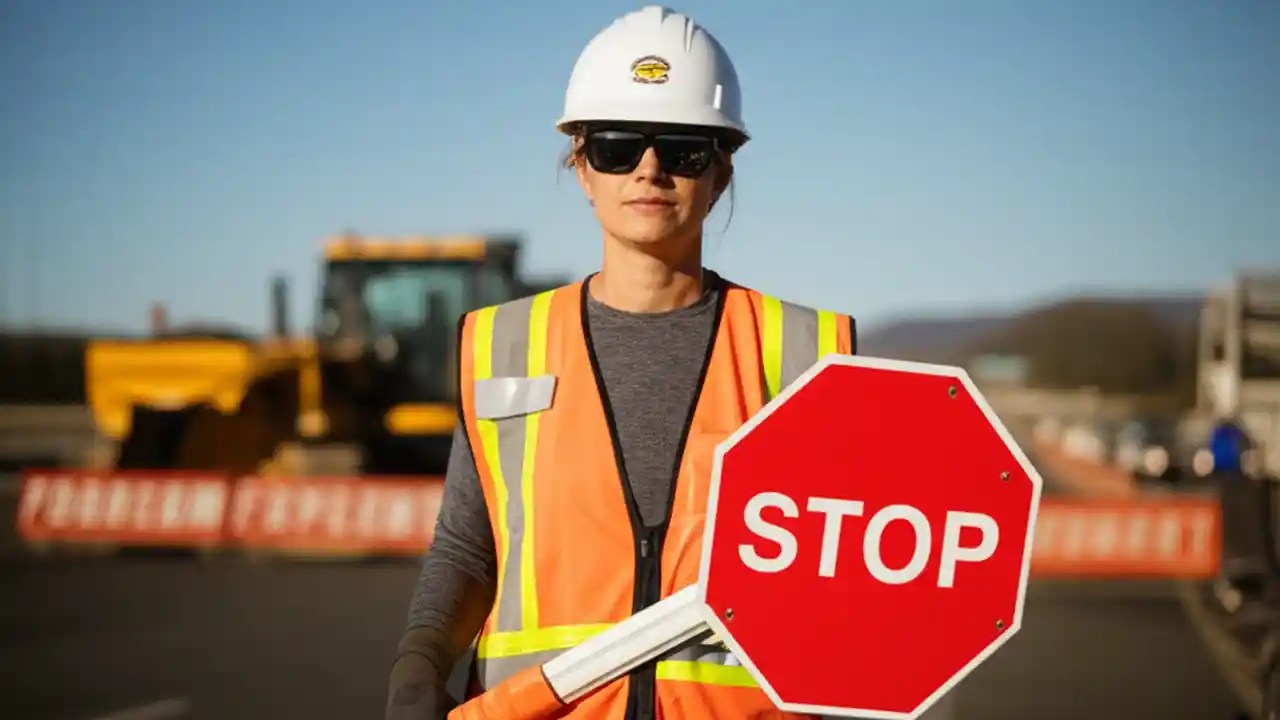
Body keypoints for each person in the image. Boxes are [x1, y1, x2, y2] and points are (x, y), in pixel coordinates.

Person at [384, 6, 919, 718]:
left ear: (722, 172)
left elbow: (857, 575)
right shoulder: (500, 346)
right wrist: (419, 662)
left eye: (683, 149)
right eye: (615, 145)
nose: (648, 170)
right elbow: (467, 549)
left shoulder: (806, 358)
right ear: (580, 165)